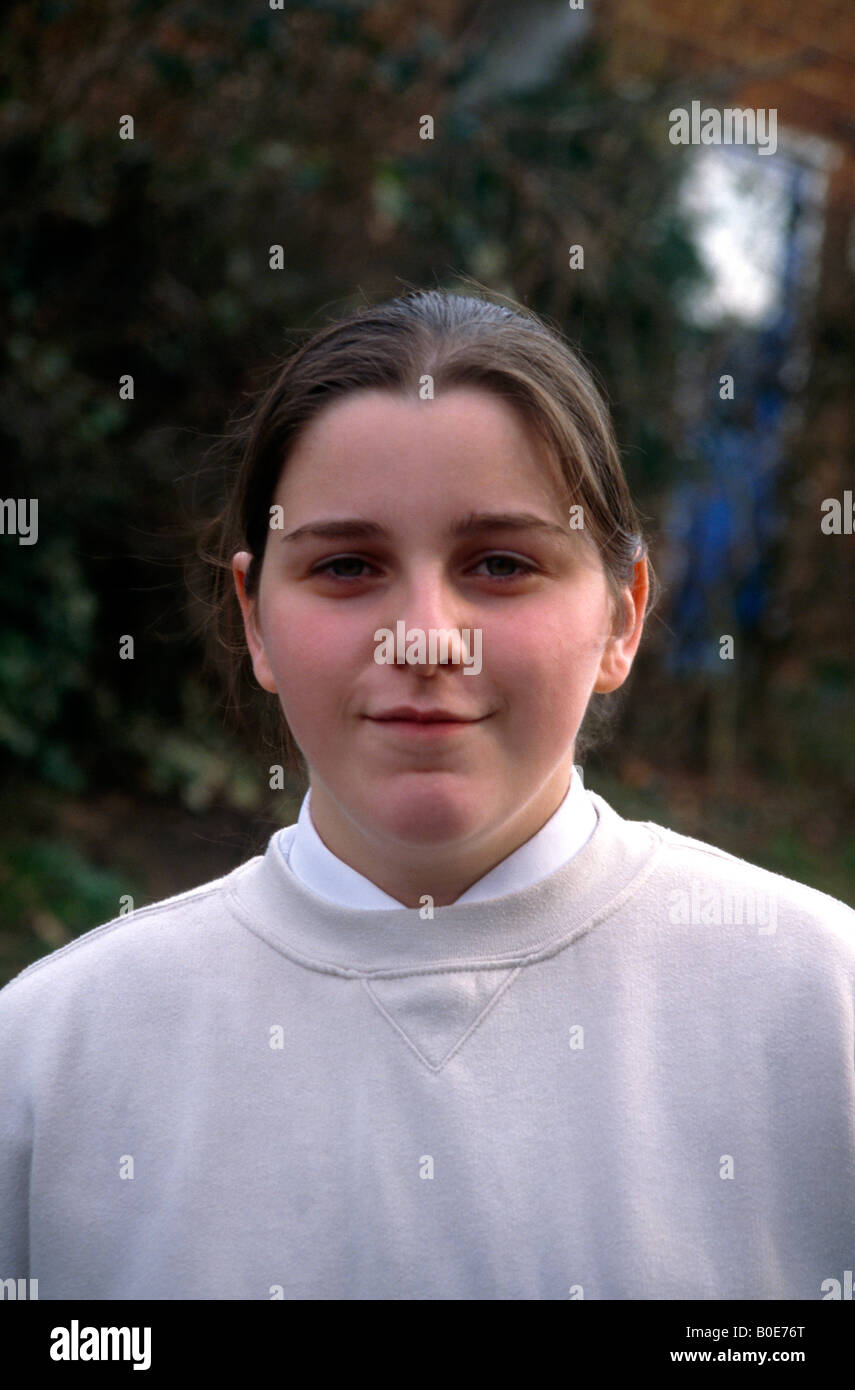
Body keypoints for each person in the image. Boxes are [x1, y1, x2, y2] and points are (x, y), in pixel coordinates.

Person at [1, 289, 853, 1301]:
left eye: (500, 563)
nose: (424, 636)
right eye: (348, 565)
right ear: (256, 618)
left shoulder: (824, 1016)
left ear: (623, 615)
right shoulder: (48, 1062)